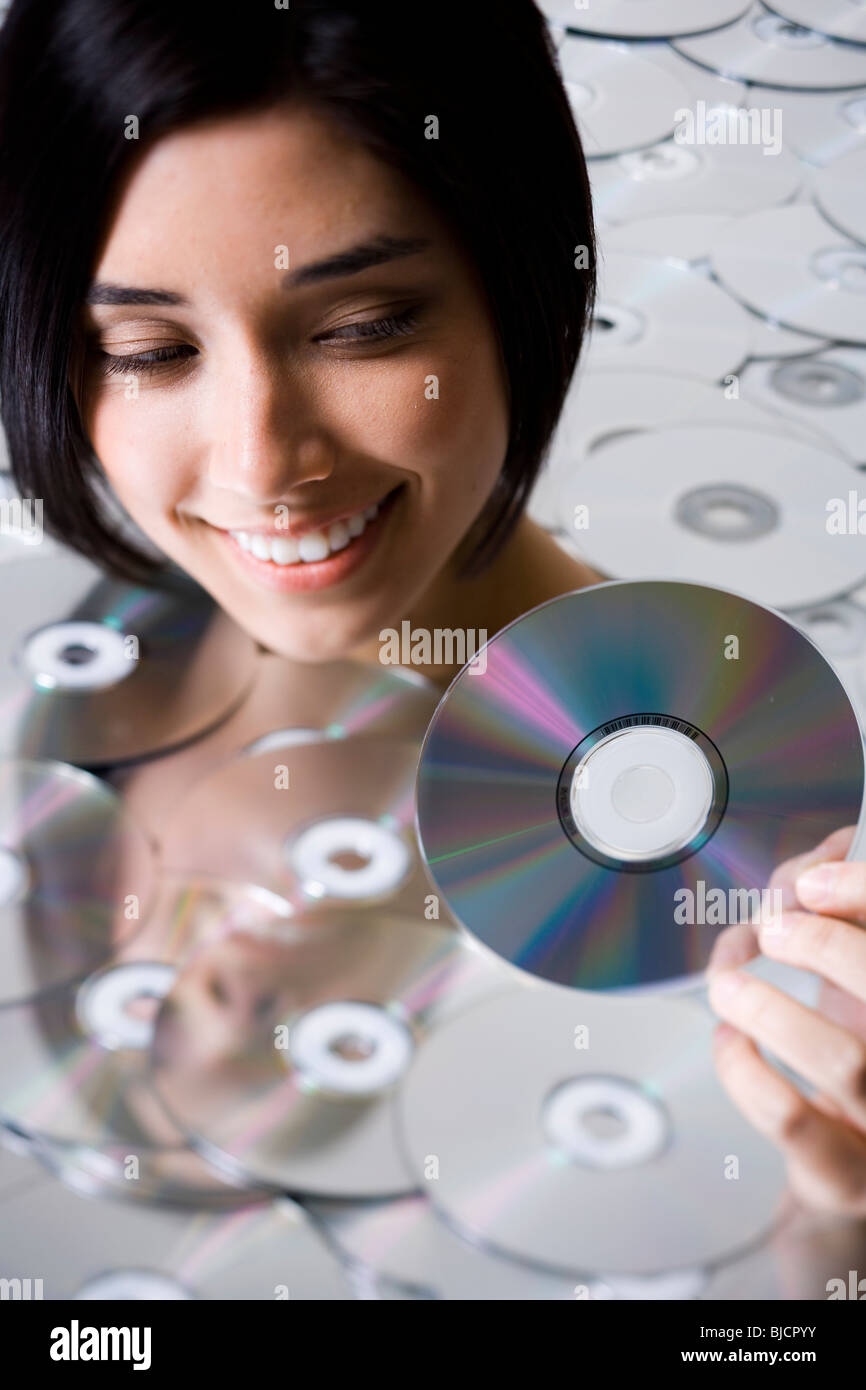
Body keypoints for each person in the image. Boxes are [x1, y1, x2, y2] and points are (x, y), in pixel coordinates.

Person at [0, 0, 863, 1222]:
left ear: (518, 281)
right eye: (146, 350)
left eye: (360, 327)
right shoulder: (56, 684)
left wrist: (837, 1225)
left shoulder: (771, 868)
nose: (260, 464)